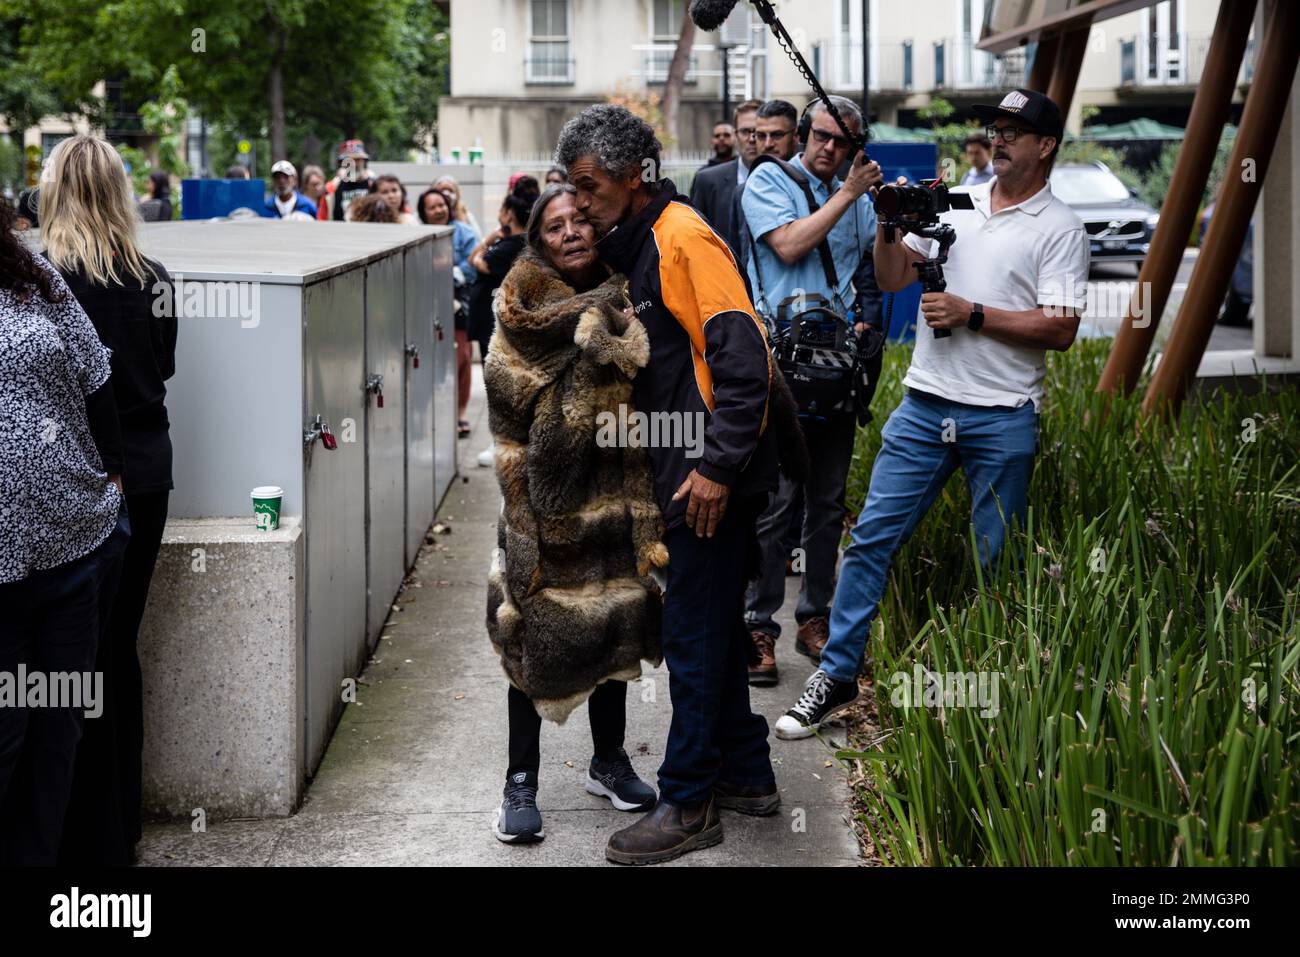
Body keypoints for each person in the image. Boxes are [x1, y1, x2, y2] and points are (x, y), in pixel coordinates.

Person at [775, 89, 1088, 739]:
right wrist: (891, 219)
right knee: (869, 544)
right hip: (923, 405)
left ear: (1045, 146)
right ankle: (835, 677)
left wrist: (972, 312)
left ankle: (985, 694)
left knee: (994, 562)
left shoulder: (1060, 227)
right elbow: (893, 278)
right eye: (994, 129)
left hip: (1002, 416)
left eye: (1012, 131)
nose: (997, 139)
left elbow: (1060, 328)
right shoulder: (957, 201)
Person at [557, 104, 789, 865]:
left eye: (588, 187)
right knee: (715, 629)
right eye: (572, 186)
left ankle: (688, 800)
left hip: (709, 477)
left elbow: (743, 354)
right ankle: (748, 776)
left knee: (691, 640)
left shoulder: (682, 236)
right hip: (687, 470)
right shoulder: (642, 242)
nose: (579, 202)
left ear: (632, 177)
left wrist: (717, 468)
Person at [484, 183, 666, 843]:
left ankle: (609, 760)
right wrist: (525, 515)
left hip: (616, 496)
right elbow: (508, 427)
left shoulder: (626, 301)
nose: (570, 231)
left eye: (580, 220)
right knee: (532, 637)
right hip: (545, 503)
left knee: (617, 623)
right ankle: (520, 780)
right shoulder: (522, 312)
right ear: (539, 239)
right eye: (555, 225)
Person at [37, 134, 179, 865]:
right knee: (118, 649)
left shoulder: (37, 279)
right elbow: (164, 367)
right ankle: (119, 823)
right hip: (146, 477)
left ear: (54, 189)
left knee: (68, 661)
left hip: (67, 484)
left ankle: (74, 831)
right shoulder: (151, 276)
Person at [0, 196, 131, 866]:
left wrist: (111, 473)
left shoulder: (33, 275)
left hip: (70, 553)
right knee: (5, 738)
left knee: (59, 736)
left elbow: (95, 368)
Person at [739, 96, 883, 686]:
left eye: (841, 143)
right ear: (803, 134)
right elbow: (790, 246)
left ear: (855, 149)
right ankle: (757, 624)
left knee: (825, 505)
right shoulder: (769, 179)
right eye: (820, 137)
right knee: (775, 505)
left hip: (838, 367)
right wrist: (849, 194)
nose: (828, 149)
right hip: (780, 369)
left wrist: (896, 215)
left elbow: (879, 269)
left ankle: (814, 618)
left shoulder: (860, 199)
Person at [467, 178, 537, 467]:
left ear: (509, 214)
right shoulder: (522, 245)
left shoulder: (509, 246)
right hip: (497, 327)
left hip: (498, 329)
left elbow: (477, 261)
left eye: (503, 210)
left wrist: (488, 239)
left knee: (500, 388)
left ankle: (504, 444)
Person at [417, 187, 477, 436]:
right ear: (424, 212)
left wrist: (446, 271)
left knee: (462, 357)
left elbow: (473, 264)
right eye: (432, 207)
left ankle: (460, 413)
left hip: (459, 304)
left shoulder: (463, 232)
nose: (439, 210)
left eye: (441, 205)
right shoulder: (418, 234)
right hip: (424, 304)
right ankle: (424, 414)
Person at [689, 99, 762, 270]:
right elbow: (695, 239)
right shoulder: (707, 180)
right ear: (736, 135)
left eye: (757, 131)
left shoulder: (786, 179)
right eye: (745, 131)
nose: (752, 138)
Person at [318, 140, 377, 222]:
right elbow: (322, 218)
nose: (354, 164)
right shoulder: (332, 188)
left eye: (358, 160)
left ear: (364, 161)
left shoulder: (374, 185)